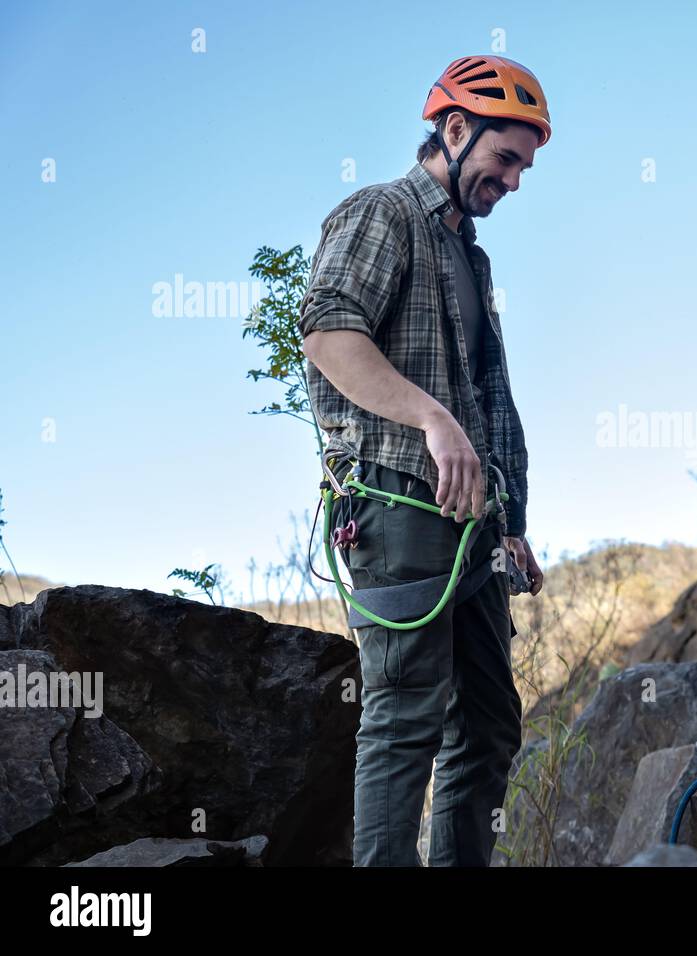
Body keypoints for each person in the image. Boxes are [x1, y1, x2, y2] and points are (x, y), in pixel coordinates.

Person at [297, 54, 548, 867]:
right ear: (453, 128)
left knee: (487, 723)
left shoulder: (470, 260)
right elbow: (330, 334)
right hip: (396, 505)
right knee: (404, 715)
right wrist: (429, 419)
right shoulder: (382, 213)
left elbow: (486, 400)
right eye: (504, 158)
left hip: (470, 528)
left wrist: (510, 523)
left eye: (524, 166)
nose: (513, 180)